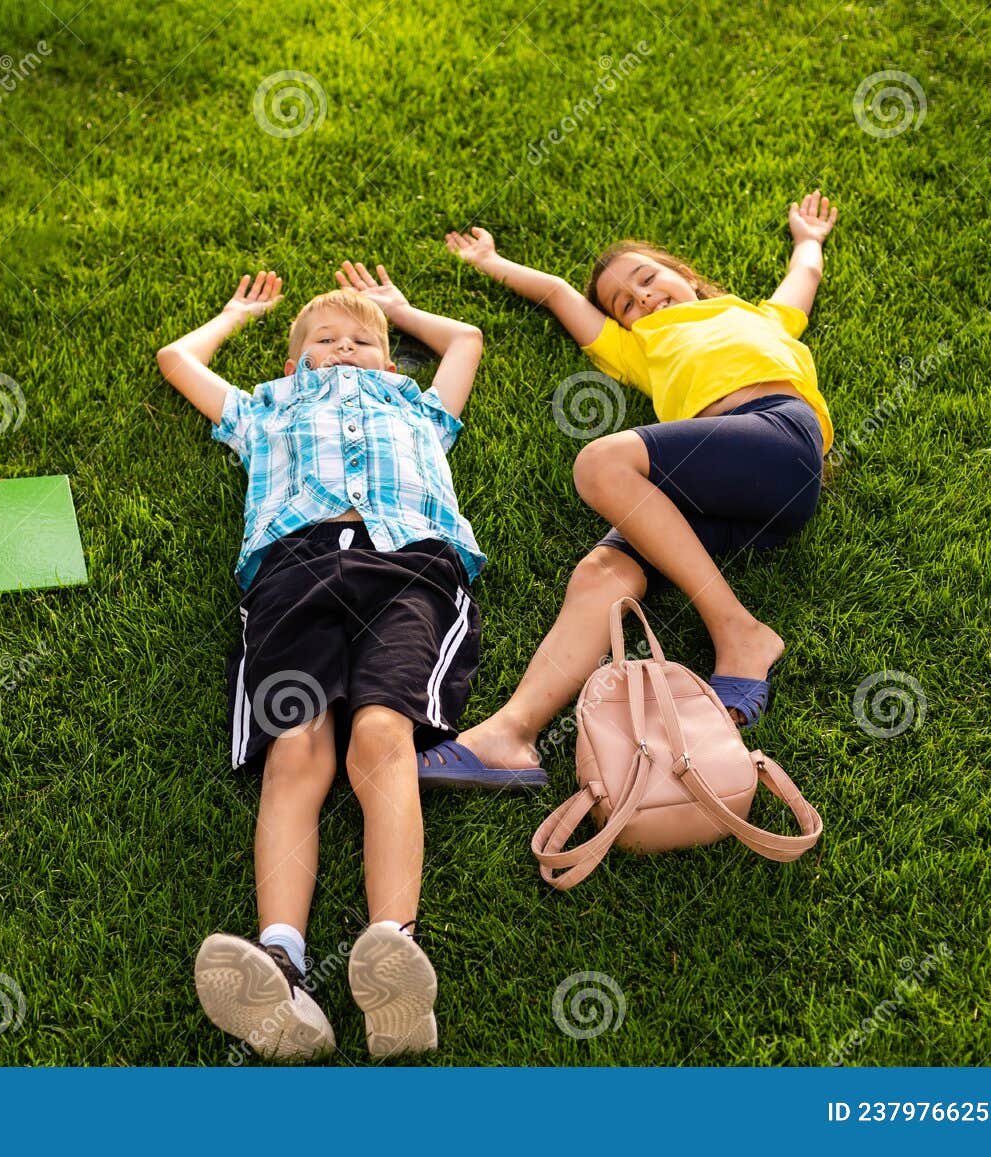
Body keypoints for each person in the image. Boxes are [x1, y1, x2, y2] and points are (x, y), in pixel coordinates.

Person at [157, 262, 489, 1059]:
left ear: (391, 359)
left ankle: (393, 949)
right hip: (291, 572)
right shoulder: (265, 408)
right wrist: (235, 316)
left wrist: (400, 310)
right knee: (296, 747)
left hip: (409, 565)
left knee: (381, 736)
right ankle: (282, 961)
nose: (344, 348)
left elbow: (468, 341)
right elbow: (177, 361)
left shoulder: (418, 407)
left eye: (363, 342)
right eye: (324, 342)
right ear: (291, 364)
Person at [421, 191, 838, 786]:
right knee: (602, 570)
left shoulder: (759, 315)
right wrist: (491, 262)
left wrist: (808, 239)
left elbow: (803, 277)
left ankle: (739, 632)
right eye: (626, 303)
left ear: (685, 277)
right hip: (725, 492)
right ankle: (511, 733)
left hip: (779, 437)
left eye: (647, 279)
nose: (642, 298)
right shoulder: (639, 348)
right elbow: (561, 295)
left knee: (600, 465)